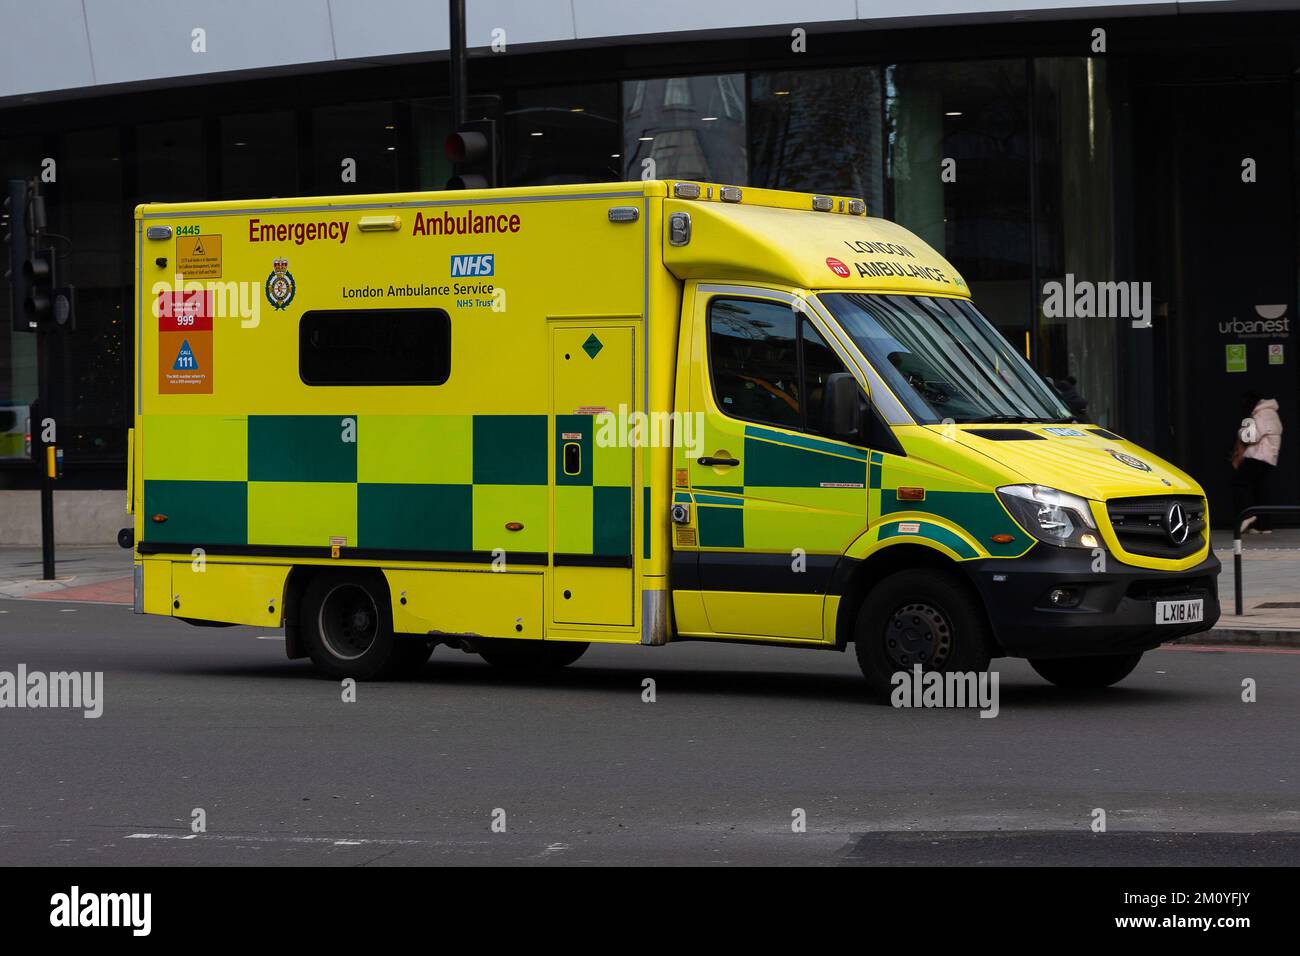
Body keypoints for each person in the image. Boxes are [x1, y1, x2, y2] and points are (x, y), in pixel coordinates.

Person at [1230, 390, 1283, 534]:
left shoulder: (1263, 413)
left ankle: (1248, 515)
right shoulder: (1272, 413)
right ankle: (1264, 526)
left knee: (1239, 483)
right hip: (1269, 459)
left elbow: (1252, 436)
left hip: (1258, 457)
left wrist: (1240, 432)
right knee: (1261, 490)